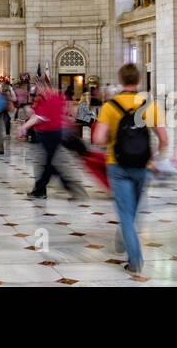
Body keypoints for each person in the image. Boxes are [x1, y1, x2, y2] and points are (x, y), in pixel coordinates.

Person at [93, 64, 168, 276]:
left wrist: (110, 140)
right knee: (133, 212)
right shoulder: (149, 105)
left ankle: (135, 259)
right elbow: (164, 139)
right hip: (143, 165)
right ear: (139, 81)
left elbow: (98, 139)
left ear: (121, 80)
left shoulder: (110, 106)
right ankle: (125, 237)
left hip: (117, 164)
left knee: (126, 214)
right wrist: (156, 159)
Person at [20, 78, 82, 200]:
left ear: (45, 86)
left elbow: (39, 117)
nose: (37, 90)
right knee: (47, 164)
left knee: (49, 165)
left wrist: (24, 126)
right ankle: (40, 190)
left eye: (39, 87)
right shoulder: (50, 98)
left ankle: (70, 188)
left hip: (51, 134)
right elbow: (38, 113)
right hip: (47, 134)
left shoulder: (52, 98)